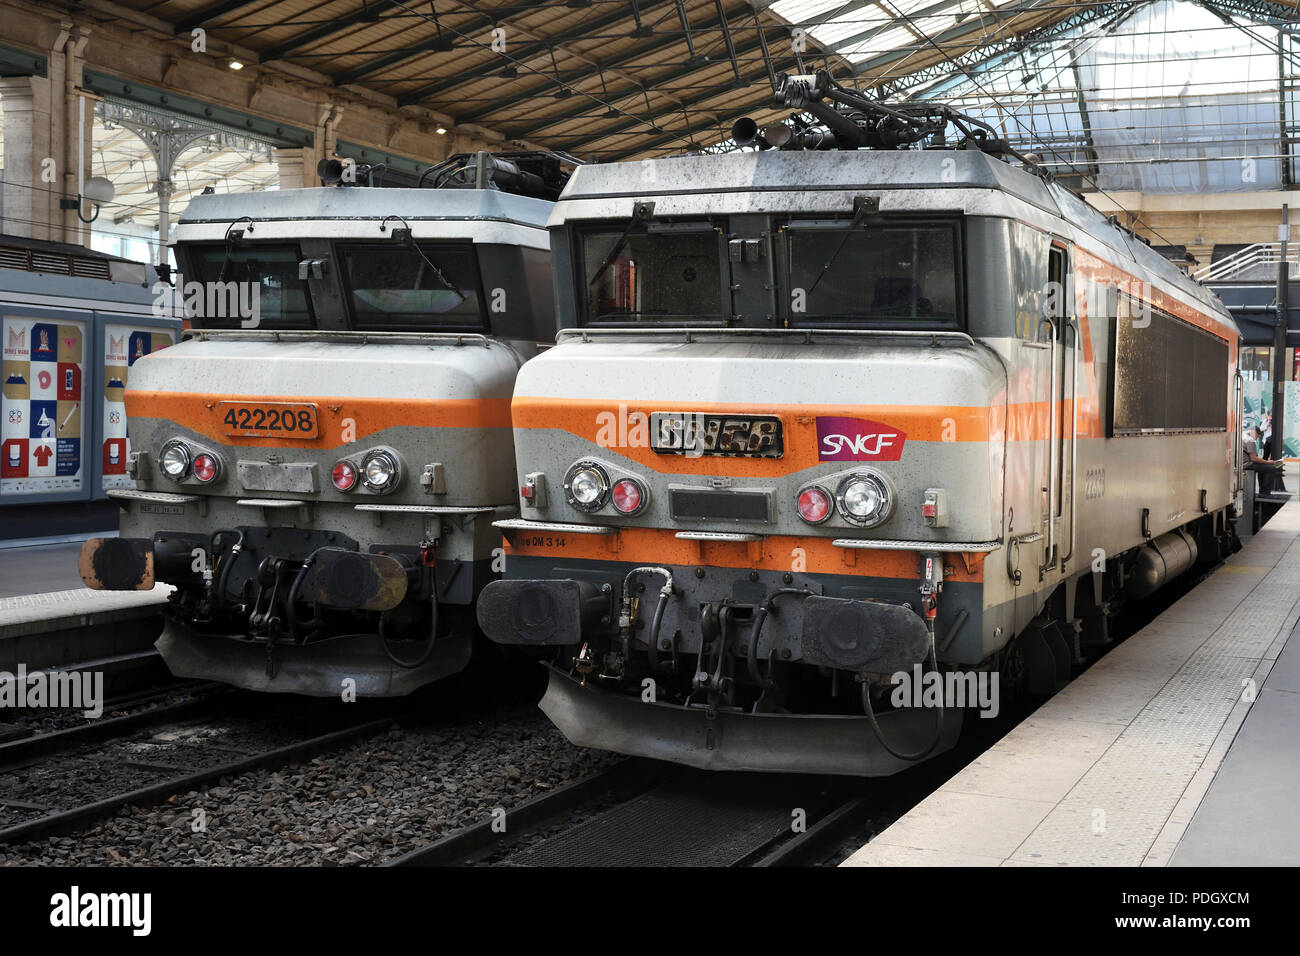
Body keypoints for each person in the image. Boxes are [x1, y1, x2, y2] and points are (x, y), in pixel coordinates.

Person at [1244, 425, 1287, 494]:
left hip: (1245, 462)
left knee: (1264, 468)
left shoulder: (1244, 436)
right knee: (1272, 468)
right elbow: (1254, 458)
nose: (1256, 439)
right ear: (1255, 433)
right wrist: (1268, 462)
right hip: (1247, 464)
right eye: (1257, 437)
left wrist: (1266, 462)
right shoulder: (1250, 440)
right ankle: (1265, 492)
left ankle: (1263, 490)